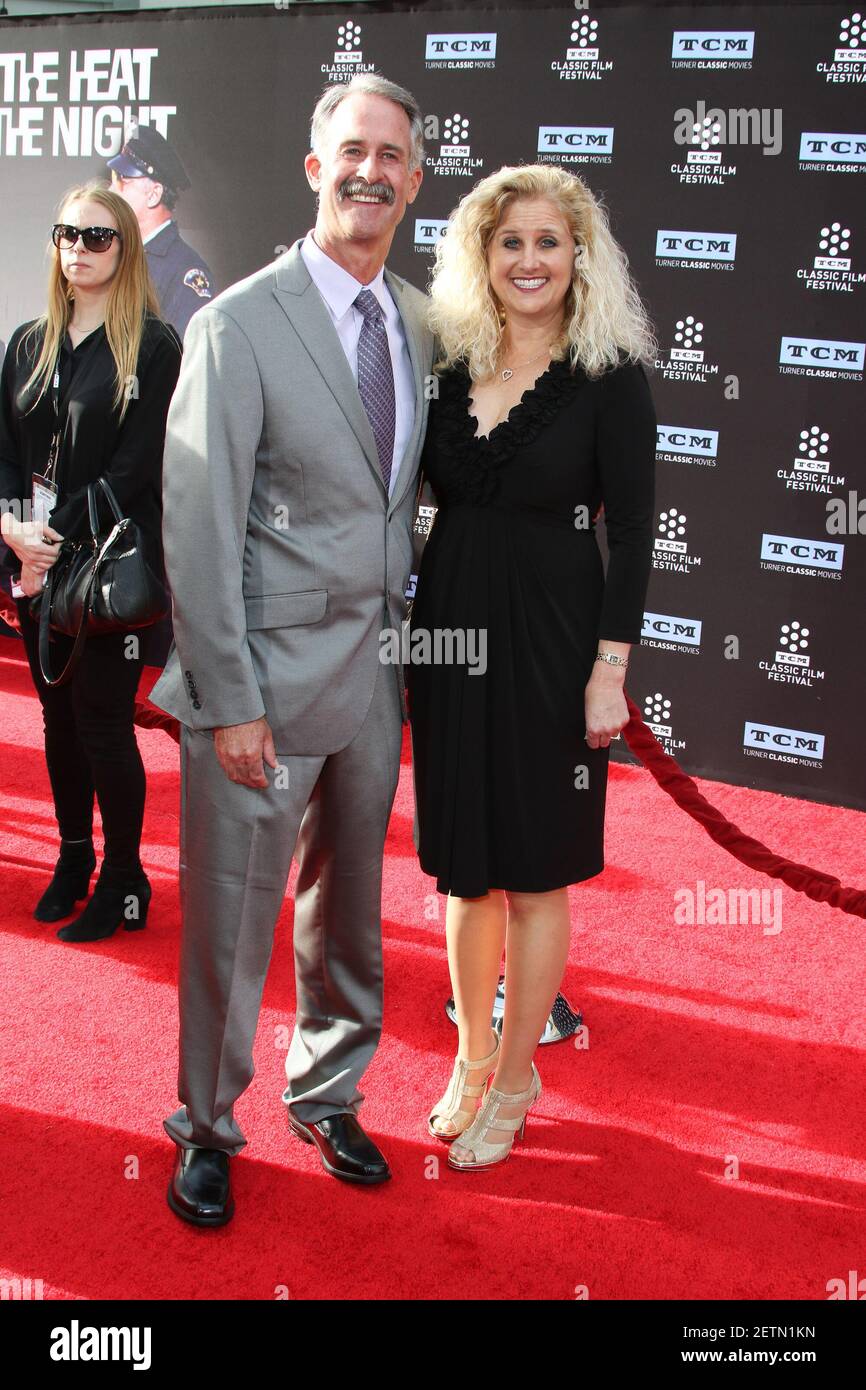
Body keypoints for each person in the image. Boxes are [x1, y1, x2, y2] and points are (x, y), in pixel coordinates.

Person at [148, 73, 433, 1227]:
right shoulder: (235, 323)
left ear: (414, 181)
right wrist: (229, 697)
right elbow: (199, 523)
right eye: (351, 151)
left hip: (372, 678)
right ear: (315, 170)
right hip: (258, 680)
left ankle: (329, 1089)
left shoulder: (417, 322)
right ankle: (207, 1126)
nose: (371, 170)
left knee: (348, 904)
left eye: (393, 156)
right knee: (230, 909)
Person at [408, 163, 658, 1170]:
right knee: (463, 868)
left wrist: (609, 666)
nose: (527, 260)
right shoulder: (447, 361)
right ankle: (470, 1059)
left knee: (535, 869)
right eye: (508, 242)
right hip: (449, 625)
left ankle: (517, 1072)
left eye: (547, 242)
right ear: (481, 253)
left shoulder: (608, 377)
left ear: (576, 256)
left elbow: (634, 530)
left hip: (555, 639)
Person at [0, 182, 182, 942]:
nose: (79, 246)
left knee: (102, 723)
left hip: (104, 566)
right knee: (55, 722)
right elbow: (7, 456)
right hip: (33, 562)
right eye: (67, 232)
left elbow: (135, 471)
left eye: (98, 235)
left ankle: (124, 878)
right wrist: (13, 530)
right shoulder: (26, 342)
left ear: (126, 247)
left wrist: (50, 539)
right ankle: (73, 860)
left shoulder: (154, 345)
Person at [108, 123, 215, 339]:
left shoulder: (185, 271)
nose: (111, 190)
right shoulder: (117, 256)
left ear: (154, 194)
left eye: (123, 181)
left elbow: (184, 359)